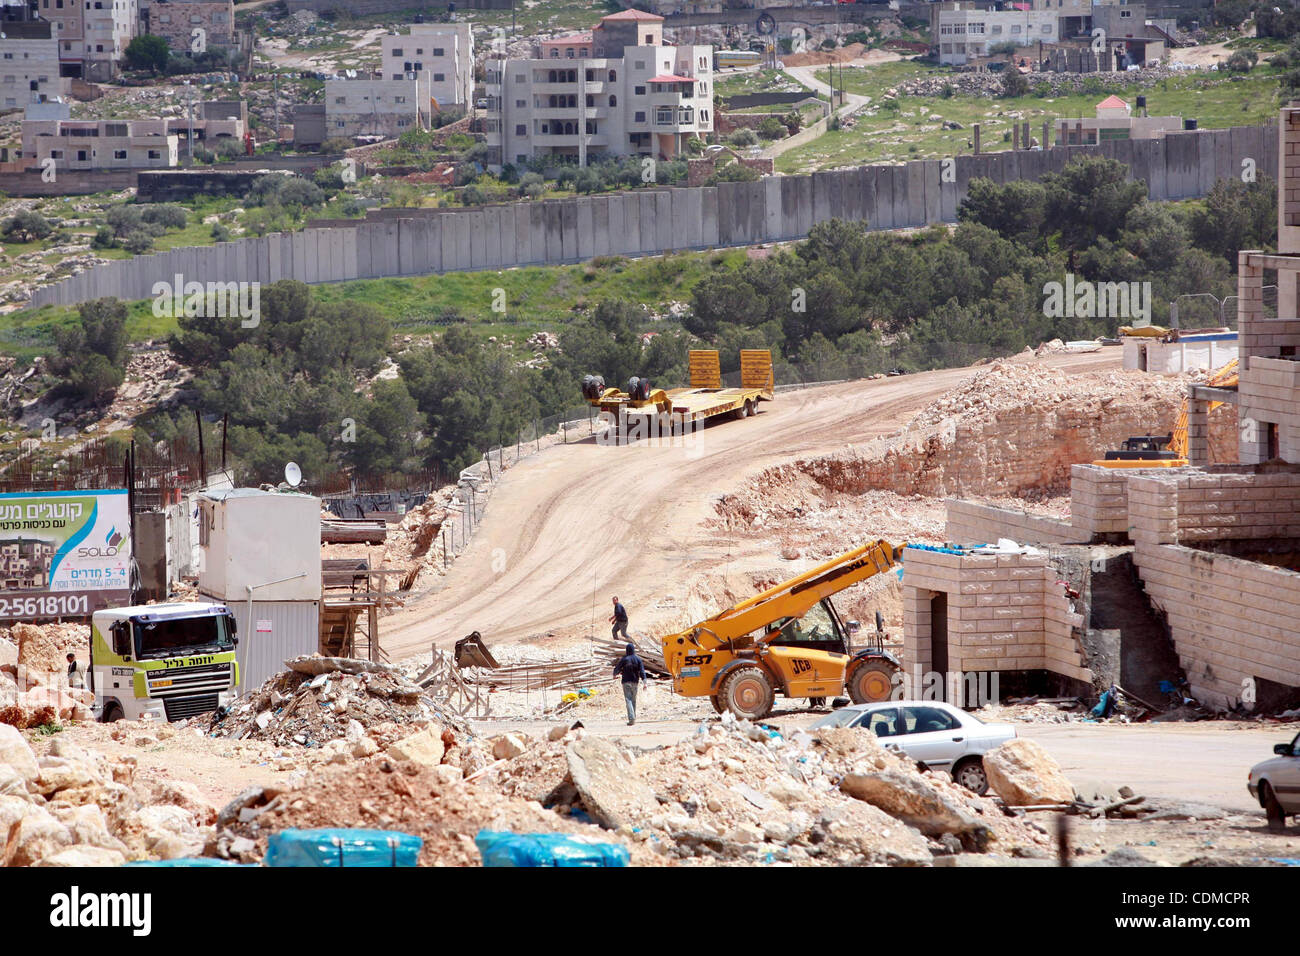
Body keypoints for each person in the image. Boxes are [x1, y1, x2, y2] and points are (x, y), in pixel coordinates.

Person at [612, 642, 647, 726]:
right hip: (635, 682)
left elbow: (617, 668)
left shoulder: (624, 659)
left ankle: (631, 719)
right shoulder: (638, 659)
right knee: (633, 700)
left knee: (628, 700)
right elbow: (642, 671)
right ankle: (633, 718)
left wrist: (614, 674)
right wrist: (645, 682)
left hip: (626, 682)